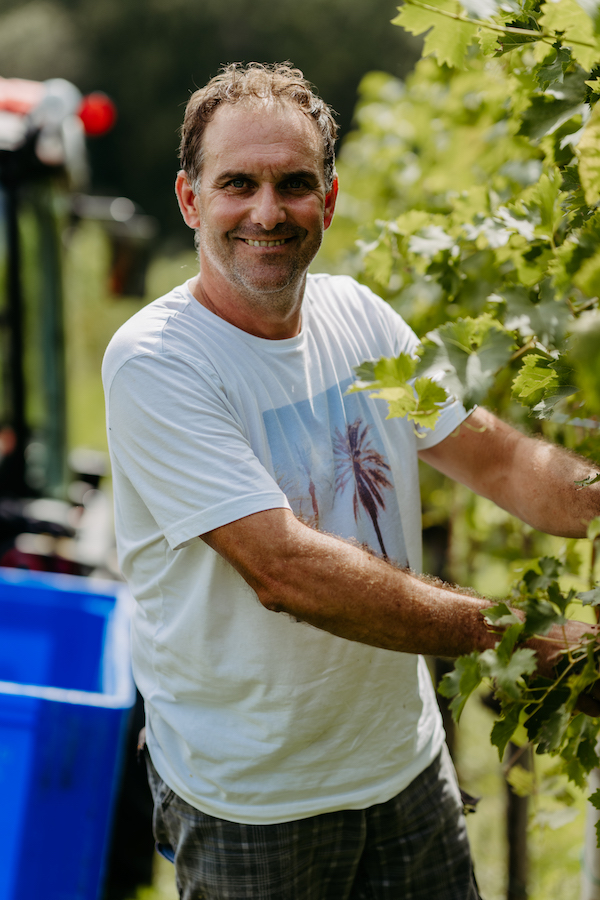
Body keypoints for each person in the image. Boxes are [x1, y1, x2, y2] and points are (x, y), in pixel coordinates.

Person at [102, 62, 600, 900]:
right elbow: (285, 570)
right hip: (254, 806)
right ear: (191, 201)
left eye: (295, 184)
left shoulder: (358, 316)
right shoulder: (157, 363)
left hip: (404, 768)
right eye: (238, 185)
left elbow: (499, 459)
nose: (268, 212)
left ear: (328, 201)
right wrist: (519, 638)